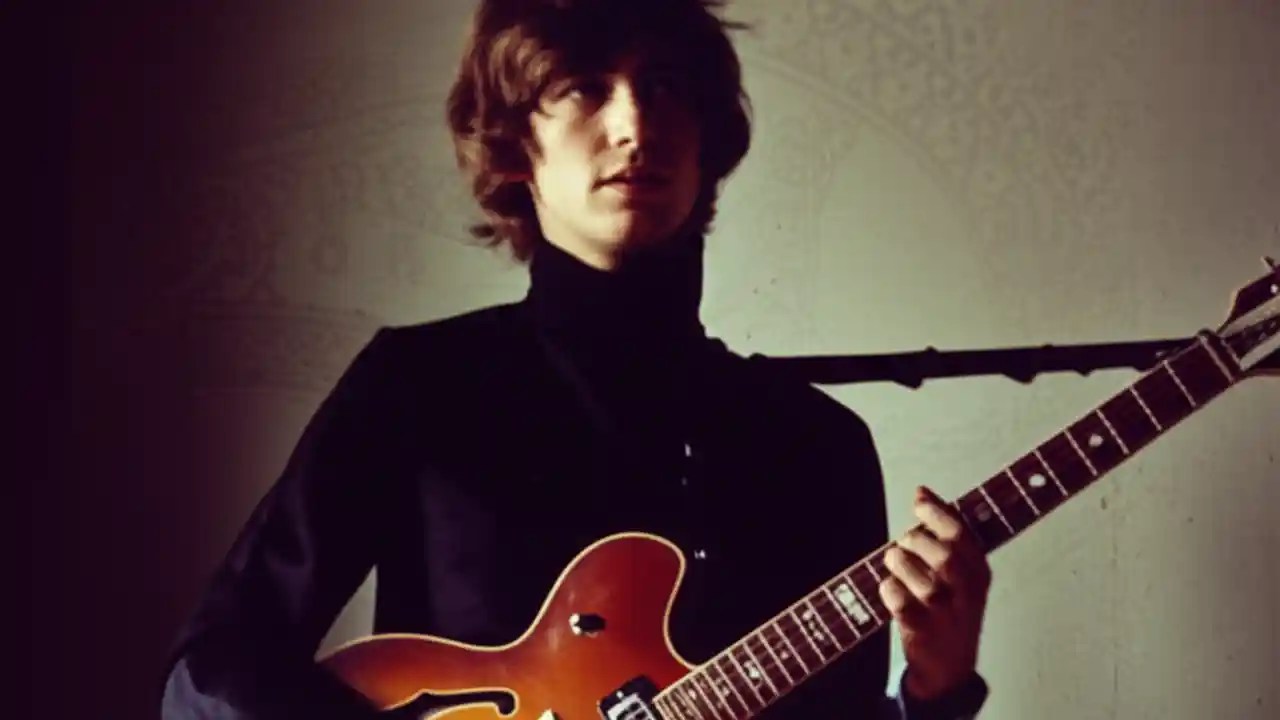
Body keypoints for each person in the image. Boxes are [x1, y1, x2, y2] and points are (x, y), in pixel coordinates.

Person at [160, 1, 993, 718]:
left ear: (708, 142)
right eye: (585, 88)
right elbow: (209, 677)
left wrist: (936, 688)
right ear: (518, 149)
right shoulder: (418, 386)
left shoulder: (815, 442)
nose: (636, 123)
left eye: (665, 86)